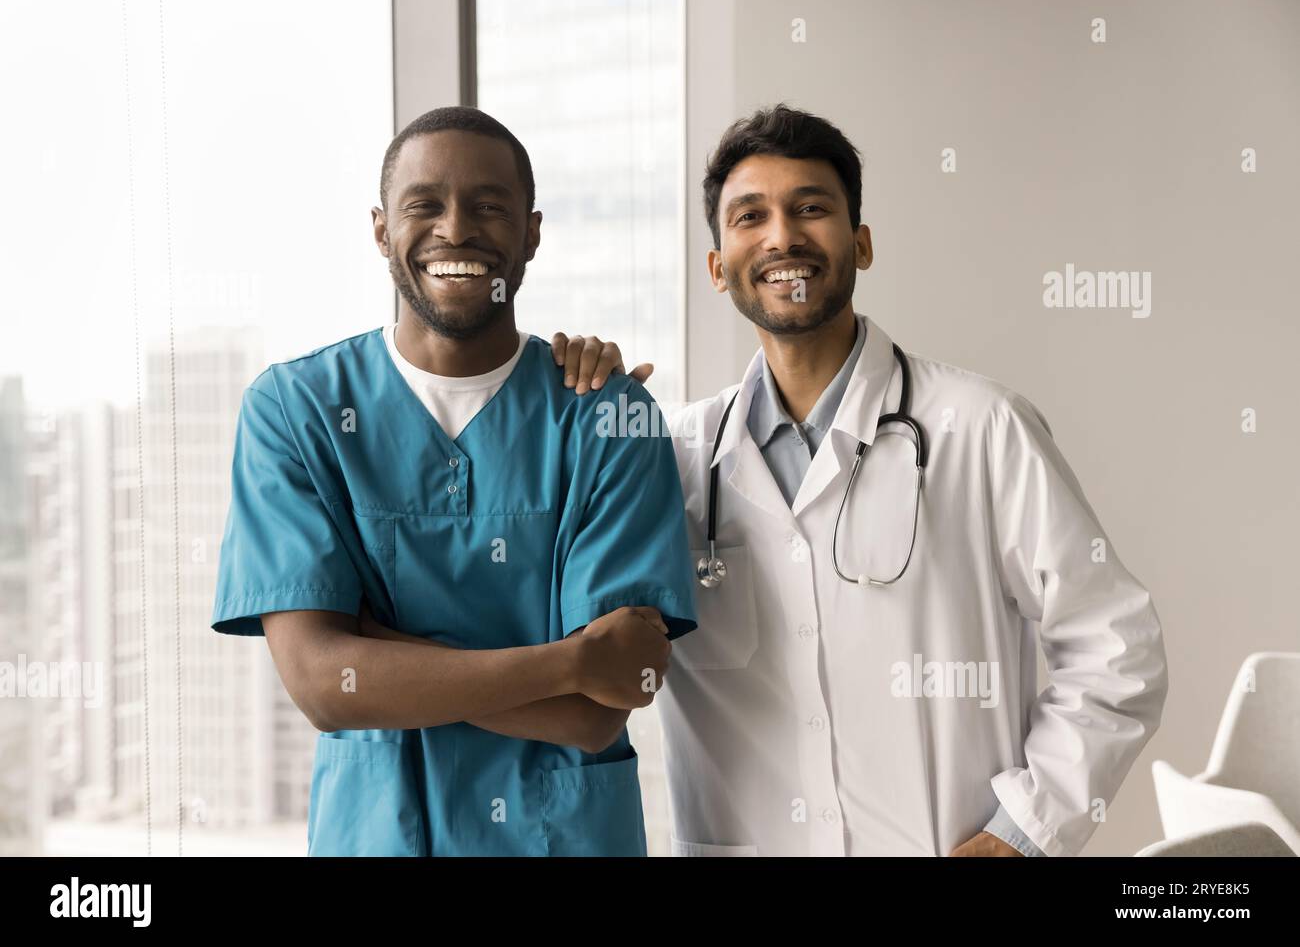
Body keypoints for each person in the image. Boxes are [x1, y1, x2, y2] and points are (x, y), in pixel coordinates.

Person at [551, 104, 1168, 856]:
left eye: (811, 208)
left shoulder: (981, 427)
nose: (783, 236)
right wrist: (581, 406)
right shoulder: (670, 456)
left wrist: (1021, 834)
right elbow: (572, 634)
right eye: (751, 217)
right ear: (718, 266)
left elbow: (1118, 648)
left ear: (861, 243)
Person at [210, 106, 698, 856]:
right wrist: (569, 662)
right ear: (381, 230)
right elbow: (322, 686)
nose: (456, 228)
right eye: (424, 204)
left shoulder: (609, 416)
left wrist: (379, 652)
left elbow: (601, 709)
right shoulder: (296, 410)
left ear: (531, 232)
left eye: (489, 205)